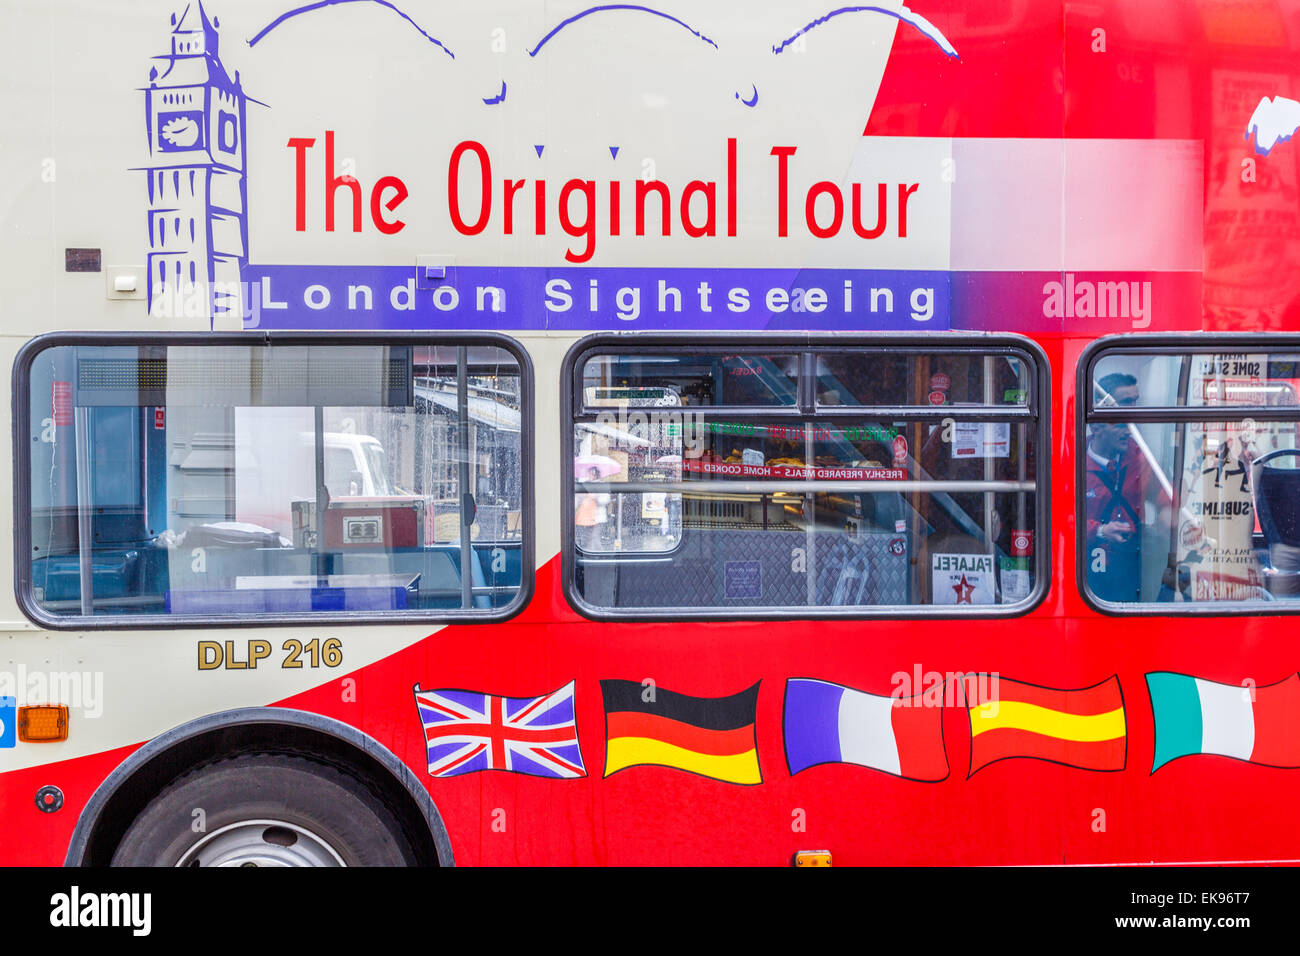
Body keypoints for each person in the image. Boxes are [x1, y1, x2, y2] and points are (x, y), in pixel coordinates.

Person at [1084, 372, 1171, 602]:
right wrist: (1100, 530)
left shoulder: (1137, 456)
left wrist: (1165, 524)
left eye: (1136, 401)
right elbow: (1060, 520)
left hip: (1133, 569)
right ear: (1097, 426)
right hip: (1084, 576)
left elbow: (1166, 499)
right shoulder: (1073, 460)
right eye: (1125, 403)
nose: (1133, 411)